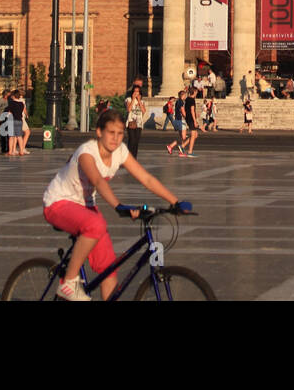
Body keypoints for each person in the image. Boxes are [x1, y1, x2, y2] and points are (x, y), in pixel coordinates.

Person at [41, 108, 188, 301]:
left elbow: (146, 178)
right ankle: (69, 282)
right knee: (96, 224)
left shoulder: (120, 152)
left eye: (120, 133)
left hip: (85, 207)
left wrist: (175, 202)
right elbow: (98, 181)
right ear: (99, 132)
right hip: (58, 203)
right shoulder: (87, 153)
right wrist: (119, 206)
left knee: (109, 269)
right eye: (111, 132)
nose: (116, 138)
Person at [165, 90, 190, 156]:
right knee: (184, 138)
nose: (185, 96)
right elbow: (182, 111)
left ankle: (176, 149)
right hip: (180, 121)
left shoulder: (177, 101)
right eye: (185, 95)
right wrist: (187, 119)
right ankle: (174, 146)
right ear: (183, 95)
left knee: (181, 137)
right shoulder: (181, 102)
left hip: (176, 120)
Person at [125, 85, 145, 157]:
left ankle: (134, 156)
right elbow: (129, 109)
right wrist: (133, 99)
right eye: (135, 91)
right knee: (132, 140)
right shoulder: (128, 100)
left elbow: (143, 111)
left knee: (136, 141)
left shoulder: (142, 101)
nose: (136, 93)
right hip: (131, 122)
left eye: (138, 91)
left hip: (139, 123)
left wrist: (139, 101)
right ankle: (129, 155)